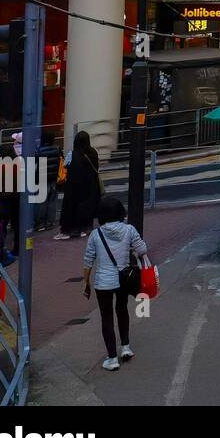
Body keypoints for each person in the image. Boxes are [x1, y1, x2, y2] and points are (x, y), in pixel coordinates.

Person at [82, 196, 150, 372]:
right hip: (123, 280)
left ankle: (112, 359)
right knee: (122, 310)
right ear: (120, 212)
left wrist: (86, 283)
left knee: (106, 318)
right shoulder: (129, 230)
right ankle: (125, 347)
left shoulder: (95, 235)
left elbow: (88, 261)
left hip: (103, 283)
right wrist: (130, 250)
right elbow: (142, 250)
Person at [56, 131, 101, 240]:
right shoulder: (93, 152)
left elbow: (66, 167)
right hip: (90, 185)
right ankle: (85, 227)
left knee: (72, 207)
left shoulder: (73, 154)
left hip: (74, 186)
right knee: (87, 206)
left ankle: (71, 230)